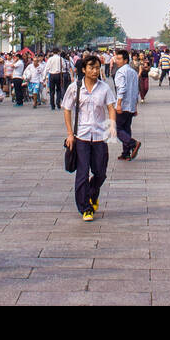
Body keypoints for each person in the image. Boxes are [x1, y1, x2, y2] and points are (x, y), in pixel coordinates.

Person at [63, 54, 118, 222]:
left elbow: (110, 107)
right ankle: (85, 208)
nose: (95, 71)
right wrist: (70, 134)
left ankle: (92, 194)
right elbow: (67, 109)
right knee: (82, 173)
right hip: (82, 137)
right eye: (91, 68)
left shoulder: (104, 88)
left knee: (100, 172)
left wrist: (112, 126)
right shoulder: (74, 88)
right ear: (84, 70)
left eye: (97, 68)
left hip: (100, 136)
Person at [112, 49, 142, 161]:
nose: (116, 61)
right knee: (126, 128)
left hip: (123, 104)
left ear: (125, 60)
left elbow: (122, 89)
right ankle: (126, 153)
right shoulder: (133, 72)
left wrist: (118, 104)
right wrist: (135, 106)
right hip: (130, 105)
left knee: (116, 128)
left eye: (119, 59)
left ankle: (132, 143)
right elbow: (136, 90)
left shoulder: (120, 72)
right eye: (116, 58)